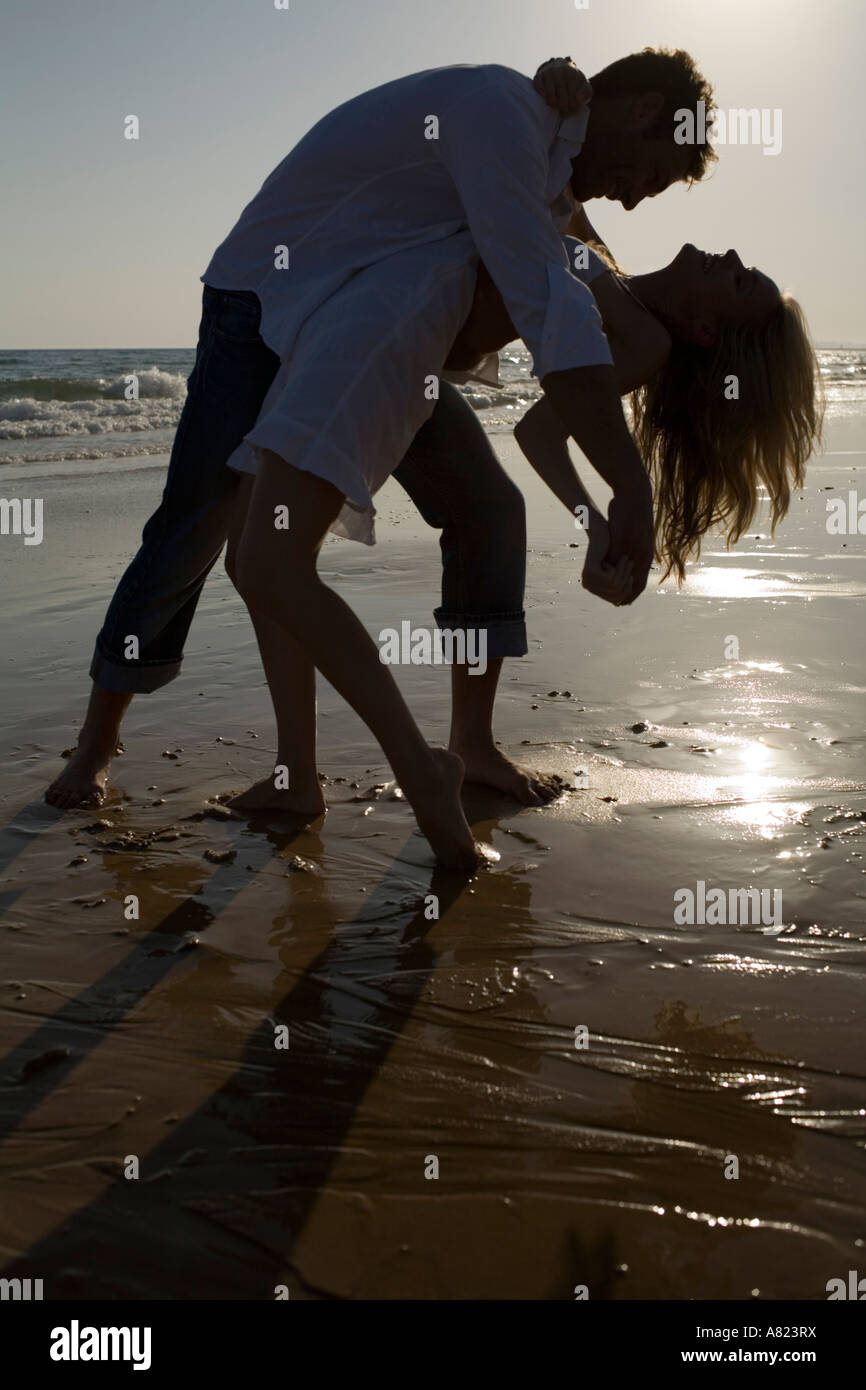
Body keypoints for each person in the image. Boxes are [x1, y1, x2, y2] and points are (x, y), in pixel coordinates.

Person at [45, 51, 717, 863]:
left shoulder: (552, 164)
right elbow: (548, 300)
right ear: (646, 108)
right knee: (200, 529)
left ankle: (459, 745)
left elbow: (574, 277)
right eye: (658, 171)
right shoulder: (502, 113)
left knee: (483, 510)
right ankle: (98, 743)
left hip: (374, 328)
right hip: (267, 302)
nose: (640, 197)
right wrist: (629, 490)